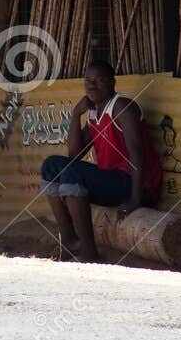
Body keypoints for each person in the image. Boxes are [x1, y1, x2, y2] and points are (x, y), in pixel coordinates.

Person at [40, 60, 162, 261]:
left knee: (73, 173)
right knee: (51, 165)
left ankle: (89, 251)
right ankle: (69, 240)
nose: (92, 85)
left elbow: (137, 154)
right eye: (87, 81)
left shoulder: (123, 106)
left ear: (112, 83)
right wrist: (74, 116)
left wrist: (135, 200)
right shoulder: (94, 112)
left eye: (99, 80)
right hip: (111, 180)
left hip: (135, 184)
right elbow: (74, 155)